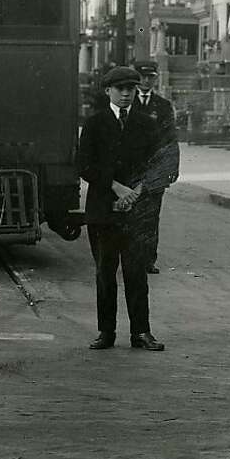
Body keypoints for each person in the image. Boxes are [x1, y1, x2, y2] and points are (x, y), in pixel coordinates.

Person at [79, 64, 164, 352]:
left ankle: (141, 332)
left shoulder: (147, 124)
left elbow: (156, 165)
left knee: (136, 273)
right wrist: (116, 187)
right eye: (120, 89)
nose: (127, 93)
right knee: (105, 272)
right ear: (108, 91)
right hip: (103, 210)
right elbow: (84, 165)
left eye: (131, 88)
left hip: (136, 212)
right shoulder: (94, 123)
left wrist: (137, 192)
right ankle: (106, 332)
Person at [129, 58, 180, 274]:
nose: (146, 81)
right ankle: (129, 259)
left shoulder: (163, 106)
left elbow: (170, 139)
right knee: (128, 216)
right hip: (129, 172)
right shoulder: (126, 103)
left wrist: (169, 171)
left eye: (150, 77)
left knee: (150, 218)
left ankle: (147, 260)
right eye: (142, 77)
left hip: (154, 172)